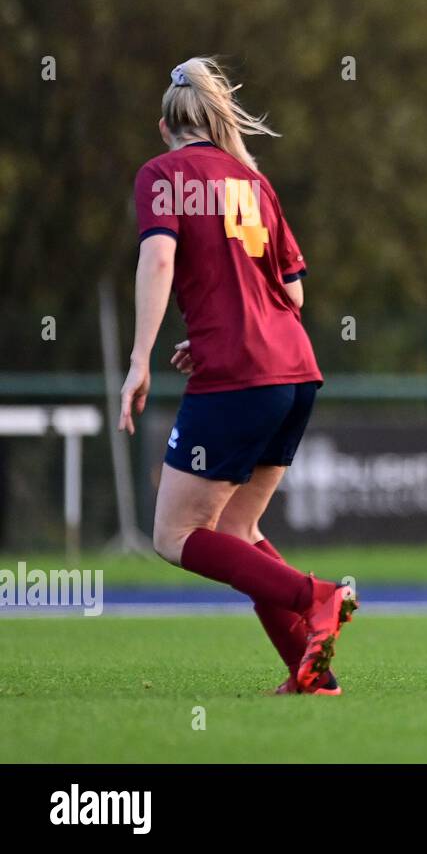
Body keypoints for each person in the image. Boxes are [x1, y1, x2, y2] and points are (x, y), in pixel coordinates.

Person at [119, 57, 356, 695]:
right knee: (237, 533)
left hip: (240, 377)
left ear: (164, 126)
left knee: (173, 536)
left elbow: (161, 257)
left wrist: (141, 357)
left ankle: (318, 595)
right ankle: (312, 676)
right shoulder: (253, 181)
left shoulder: (160, 175)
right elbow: (292, 294)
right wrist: (216, 328)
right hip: (295, 371)